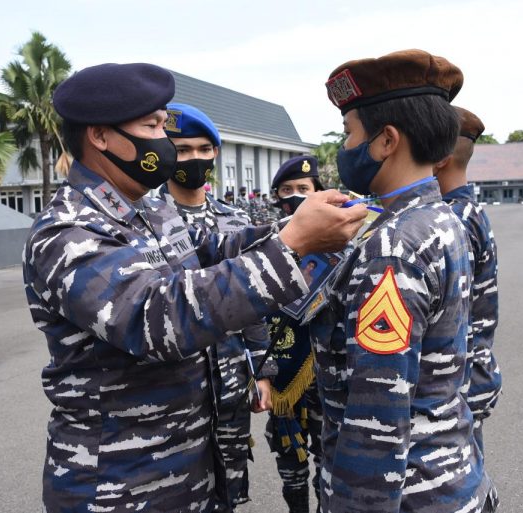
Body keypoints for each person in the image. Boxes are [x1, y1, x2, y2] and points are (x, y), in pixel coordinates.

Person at [22, 62, 368, 513]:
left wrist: (294, 225)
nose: (163, 141)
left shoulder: (149, 209)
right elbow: (156, 319)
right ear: (100, 136)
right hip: (119, 484)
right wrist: (293, 243)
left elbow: (211, 254)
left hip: (193, 468)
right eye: (151, 126)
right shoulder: (68, 232)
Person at [309, 49, 497, 512]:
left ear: (386, 140)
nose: (345, 147)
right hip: (446, 475)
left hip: (409, 493)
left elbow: (378, 417)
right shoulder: (438, 217)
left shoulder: (393, 245)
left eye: (350, 133)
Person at [160, 102, 273, 508]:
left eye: (204, 150)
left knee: (227, 483)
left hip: (229, 380)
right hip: (173, 388)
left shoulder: (235, 220)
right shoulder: (146, 219)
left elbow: (255, 302)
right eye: (184, 149)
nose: (194, 159)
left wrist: (262, 371)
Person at [434, 106, 502, 455]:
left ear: (441, 157)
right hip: (472, 370)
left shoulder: (451, 220)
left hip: (460, 377)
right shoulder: (468, 210)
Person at [264, 155, 327, 513]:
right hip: (280, 365)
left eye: (304, 189)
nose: (295, 197)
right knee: (289, 458)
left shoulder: (340, 244)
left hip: (324, 369)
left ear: (317, 191)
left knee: (327, 455)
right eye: (287, 190)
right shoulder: (265, 243)